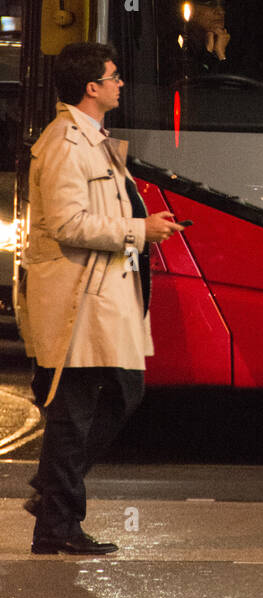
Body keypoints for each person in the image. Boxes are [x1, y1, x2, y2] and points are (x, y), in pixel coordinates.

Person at [23, 42, 183, 554]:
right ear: (91, 88)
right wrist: (140, 228)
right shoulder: (66, 144)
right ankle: (57, 523)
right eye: (113, 77)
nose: (119, 84)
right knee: (77, 409)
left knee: (122, 390)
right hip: (78, 297)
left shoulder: (91, 138)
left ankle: (52, 497)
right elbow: (69, 224)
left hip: (101, 294)